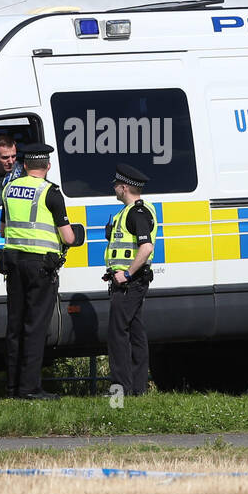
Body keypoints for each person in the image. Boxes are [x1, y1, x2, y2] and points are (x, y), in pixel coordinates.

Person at [0, 142, 75, 400]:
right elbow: (67, 236)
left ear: (24, 165)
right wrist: (75, 237)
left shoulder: (9, 188)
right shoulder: (51, 193)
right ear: (48, 166)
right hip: (40, 266)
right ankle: (30, 388)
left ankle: (12, 388)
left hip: (13, 263)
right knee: (35, 326)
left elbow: (3, 229)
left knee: (15, 325)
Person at [104, 163, 157, 398]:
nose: (114, 188)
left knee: (117, 335)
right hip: (129, 283)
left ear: (124, 187)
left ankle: (119, 392)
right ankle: (137, 389)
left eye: (116, 185)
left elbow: (146, 247)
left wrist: (126, 274)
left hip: (129, 283)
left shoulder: (137, 212)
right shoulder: (128, 212)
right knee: (135, 333)